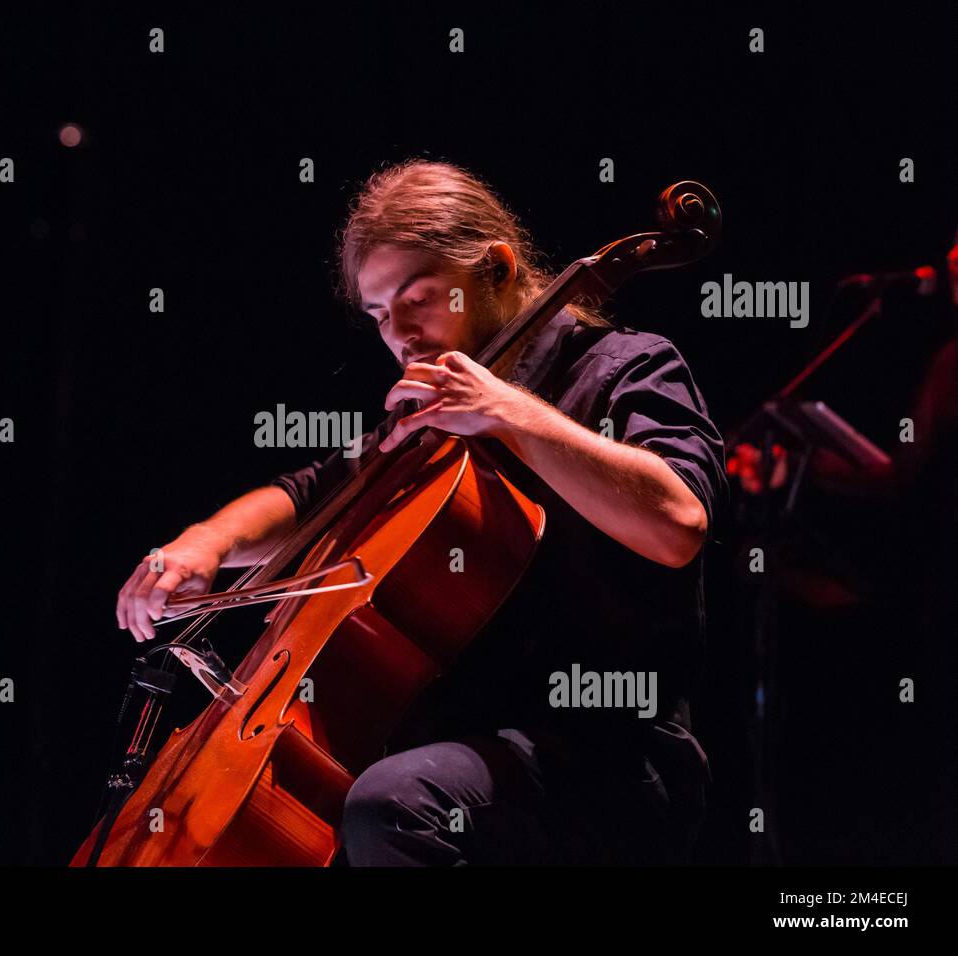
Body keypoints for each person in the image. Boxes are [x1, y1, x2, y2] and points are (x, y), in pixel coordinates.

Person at [116, 159, 727, 865]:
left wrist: (508, 414)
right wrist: (206, 543)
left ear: (495, 269)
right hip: (450, 742)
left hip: (603, 757)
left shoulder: (623, 366)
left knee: (391, 805)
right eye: (380, 315)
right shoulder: (427, 424)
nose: (400, 333)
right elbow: (311, 494)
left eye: (420, 298)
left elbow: (679, 522)